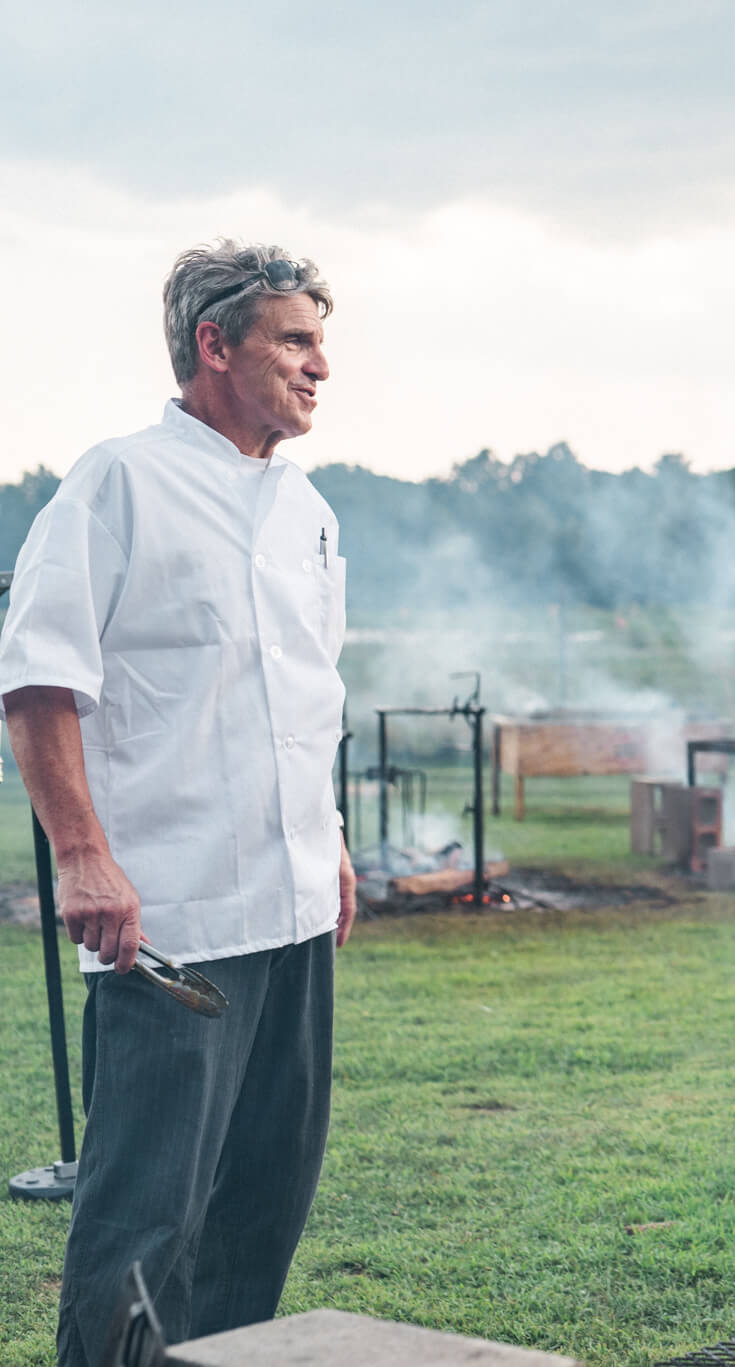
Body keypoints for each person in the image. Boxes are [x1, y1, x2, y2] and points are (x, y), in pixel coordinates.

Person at [0, 240, 353, 1364]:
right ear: (216, 344)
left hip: (297, 916)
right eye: (295, 340)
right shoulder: (117, 483)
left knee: (263, 1208)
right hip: (173, 926)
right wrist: (81, 854)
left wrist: (333, 840)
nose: (320, 365)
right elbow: (38, 681)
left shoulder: (308, 509)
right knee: (144, 1223)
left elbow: (308, 694)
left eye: (320, 342)